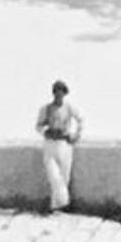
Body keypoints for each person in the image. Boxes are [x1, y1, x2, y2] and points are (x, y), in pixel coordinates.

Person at [37, 80, 83, 212]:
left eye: (61, 91)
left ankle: (58, 207)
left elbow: (81, 119)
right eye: (56, 91)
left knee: (64, 176)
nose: (58, 94)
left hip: (64, 145)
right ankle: (61, 202)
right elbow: (38, 126)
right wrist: (46, 132)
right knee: (53, 175)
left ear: (64, 93)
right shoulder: (46, 109)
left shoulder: (69, 107)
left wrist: (75, 135)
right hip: (50, 144)